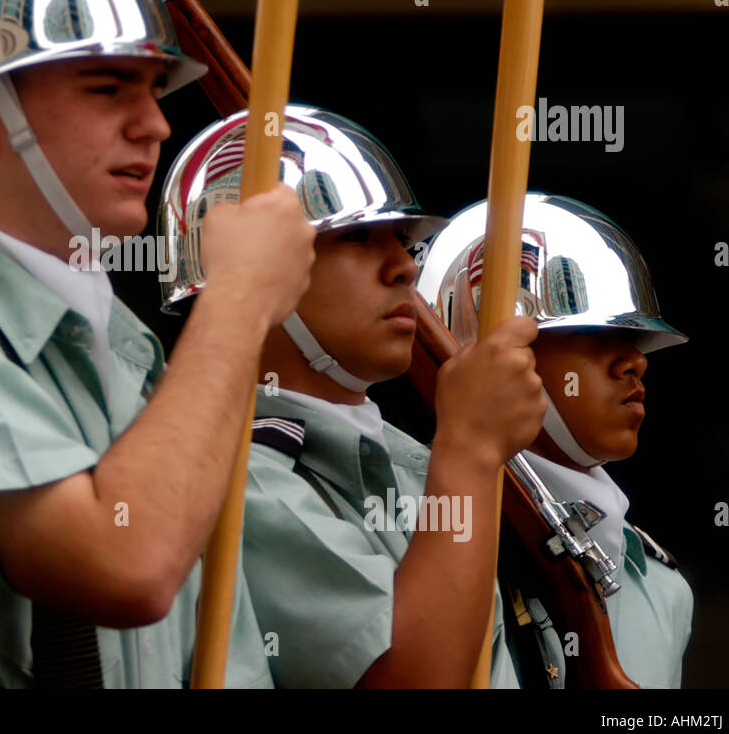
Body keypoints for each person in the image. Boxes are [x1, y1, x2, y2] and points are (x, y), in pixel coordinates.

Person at [0, 0, 315, 688]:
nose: (157, 124)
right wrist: (236, 300)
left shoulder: (142, 355)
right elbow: (126, 566)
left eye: (153, 90)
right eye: (107, 89)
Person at [160, 105, 558, 688]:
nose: (403, 266)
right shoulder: (233, 479)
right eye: (356, 238)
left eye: (400, 239)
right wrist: (471, 449)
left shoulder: (418, 464)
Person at [416, 192, 693, 688]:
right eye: (591, 332)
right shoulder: (406, 528)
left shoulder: (662, 588)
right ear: (493, 347)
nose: (636, 361)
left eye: (635, 339)